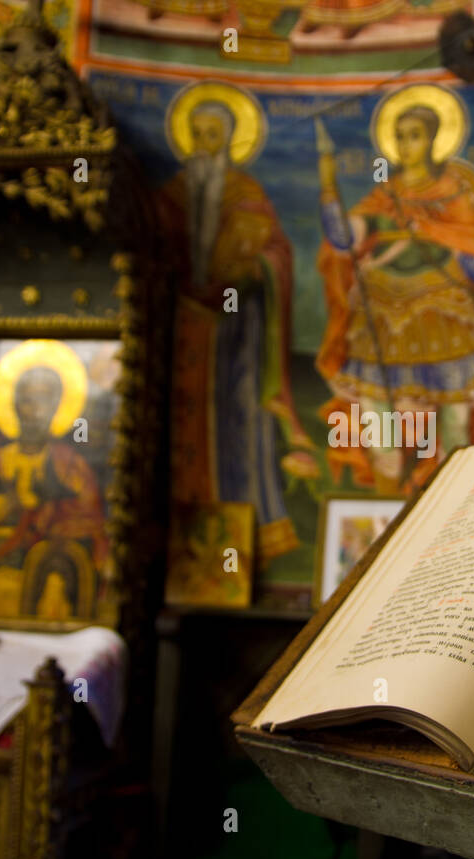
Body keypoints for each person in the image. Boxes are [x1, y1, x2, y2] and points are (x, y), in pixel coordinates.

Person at [316, 98, 474, 492]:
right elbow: (343, 240)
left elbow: (472, 249)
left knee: (455, 413)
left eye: (415, 136)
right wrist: (328, 188)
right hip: (380, 310)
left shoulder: (451, 194)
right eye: (400, 137)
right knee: (378, 413)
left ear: (433, 140)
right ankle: (386, 495)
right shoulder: (382, 197)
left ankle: (453, 495)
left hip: (441, 308)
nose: (406, 145)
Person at [160, 95, 314, 561]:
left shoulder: (246, 192)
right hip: (181, 329)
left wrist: (255, 267)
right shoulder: (170, 195)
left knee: (240, 417)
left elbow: (278, 255)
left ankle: (252, 529)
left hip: (236, 332)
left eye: (214, 135)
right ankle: (180, 538)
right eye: (198, 135)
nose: (205, 146)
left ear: (229, 140)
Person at [0, 364, 109, 619]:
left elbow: (92, 523)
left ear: (56, 407)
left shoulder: (71, 465)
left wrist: (41, 511)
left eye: (44, 401)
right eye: (28, 401)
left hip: (47, 576)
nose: (36, 411)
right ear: (15, 405)